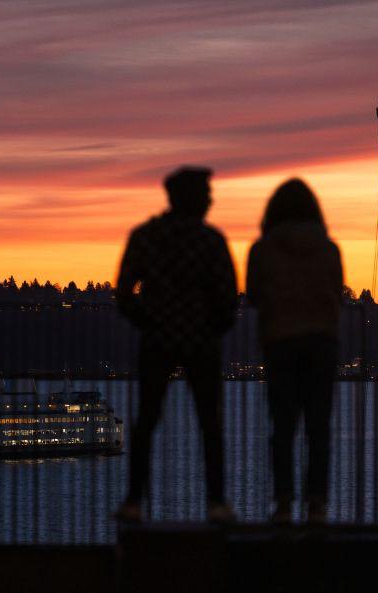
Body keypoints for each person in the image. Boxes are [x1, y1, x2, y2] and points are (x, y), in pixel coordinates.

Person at [116, 166, 237, 523]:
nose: (211, 199)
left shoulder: (146, 236)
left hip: (157, 341)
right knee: (209, 424)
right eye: (206, 193)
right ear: (192, 198)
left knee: (147, 421)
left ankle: (135, 500)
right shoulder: (211, 241)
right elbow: (228, 298)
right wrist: (212, 327)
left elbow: (124, 291)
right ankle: (216, 503)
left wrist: (146, 321)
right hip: (201, 343)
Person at [246, 178, 342, 524]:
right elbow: (336, 290)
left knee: (283, 427)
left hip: (280, 341)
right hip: (321, 344)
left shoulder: (262, 249)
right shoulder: (329, 248)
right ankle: (317, 504)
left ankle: (284, 503)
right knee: (319, 428)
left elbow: (254, 294)